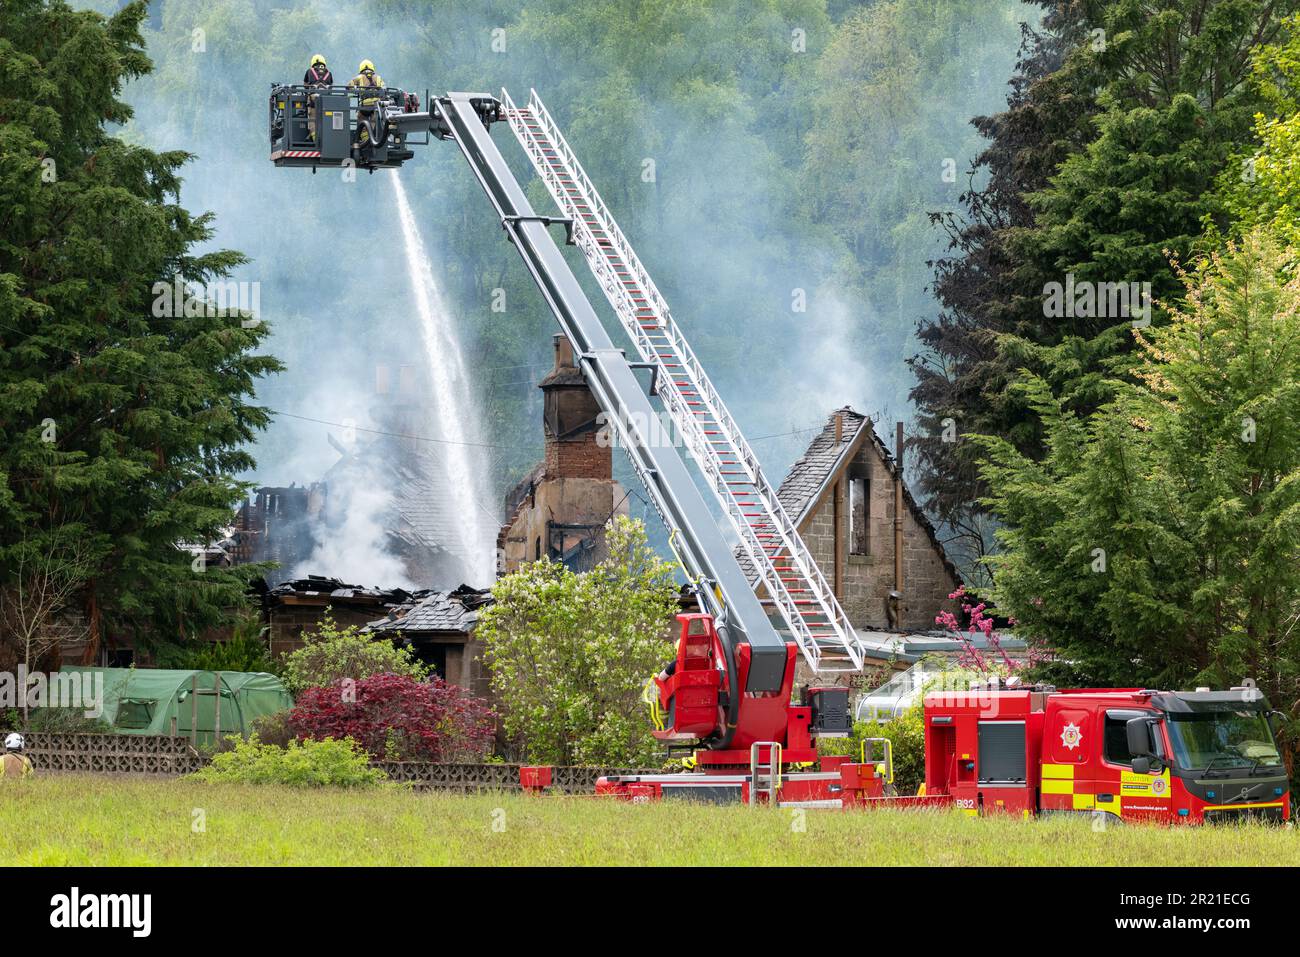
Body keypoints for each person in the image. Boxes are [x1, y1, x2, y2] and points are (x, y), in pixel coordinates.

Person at [349, 59, 386, 145]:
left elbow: (349, 86)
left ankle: (365, 139)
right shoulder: (378, 78)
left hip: (365, 106)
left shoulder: (359, 77)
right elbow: (384, 89)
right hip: (376, 106)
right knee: (374, 121)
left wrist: (356, 90)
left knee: (361, 118)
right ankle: (374, 138)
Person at [303, 54, 332, 142]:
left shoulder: (309, 71)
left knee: (312, 119)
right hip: (326, 100)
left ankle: (317, 141)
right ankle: (328, 138)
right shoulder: (328, 73)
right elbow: (331, 86)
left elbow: (305, 85)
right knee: (327, 119)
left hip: (314, 99)